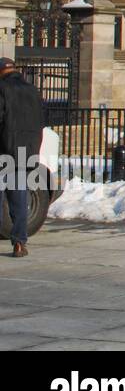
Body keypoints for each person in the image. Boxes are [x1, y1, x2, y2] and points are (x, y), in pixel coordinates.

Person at [0, 57, 45, 258]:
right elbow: (42, 120)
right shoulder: (32, 91)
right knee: (19, 197)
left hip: (4, 149)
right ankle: (19, 243)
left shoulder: (2, 89)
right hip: (27, 151)